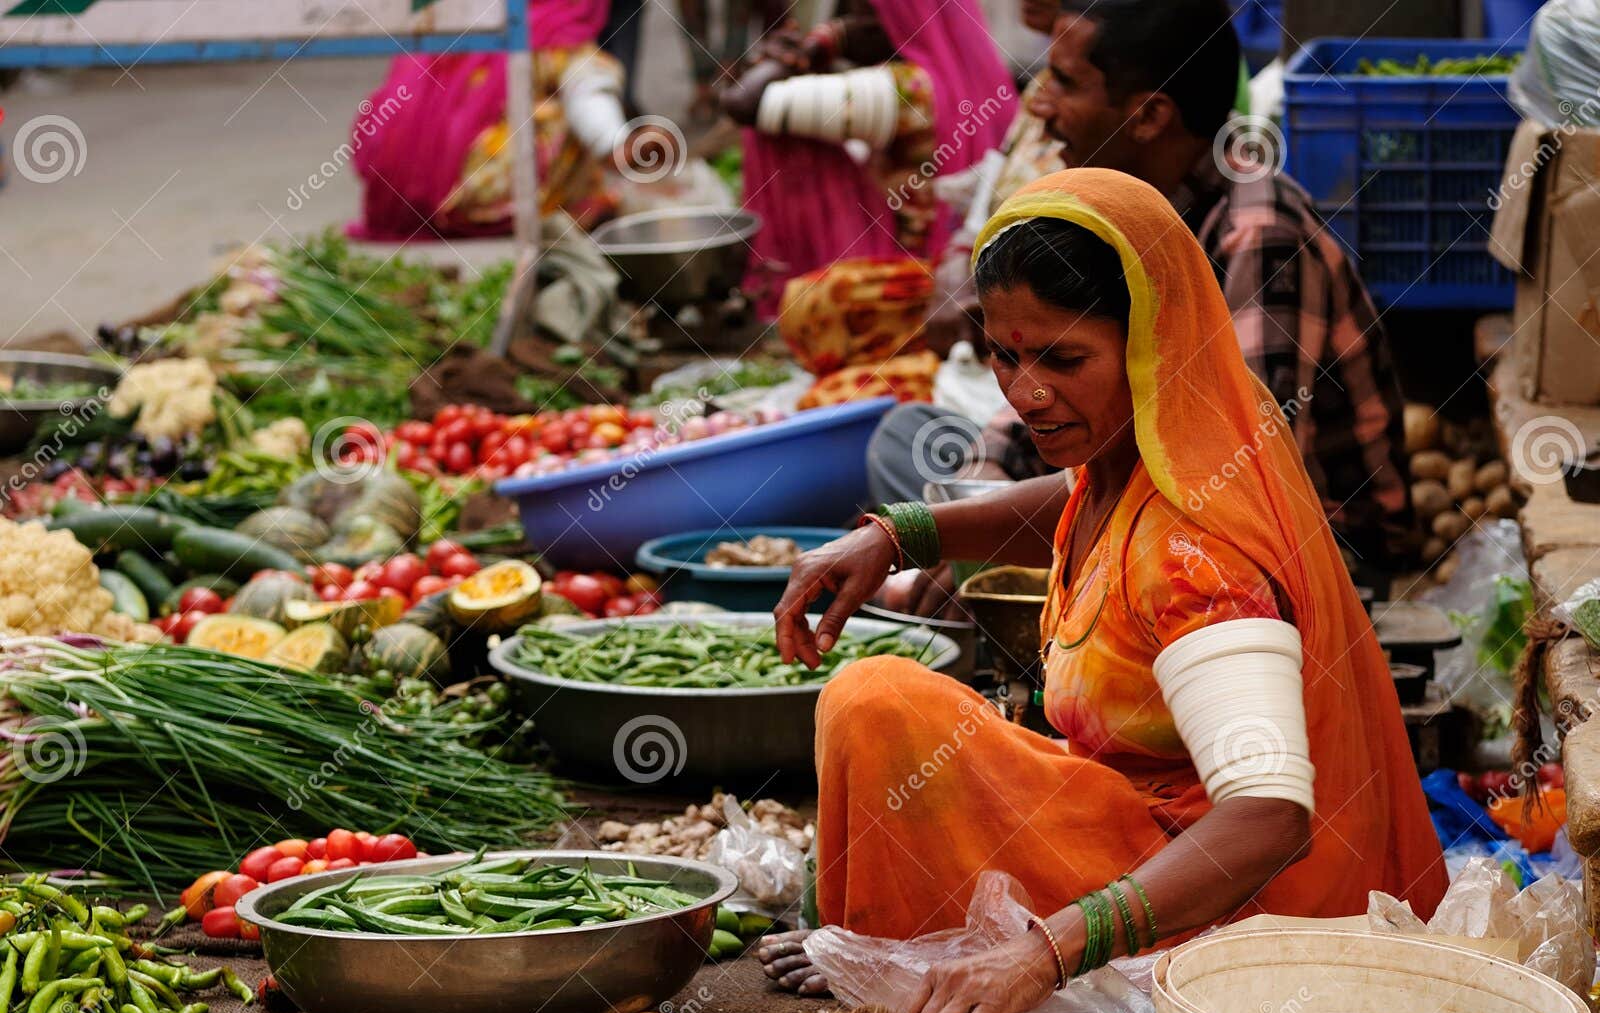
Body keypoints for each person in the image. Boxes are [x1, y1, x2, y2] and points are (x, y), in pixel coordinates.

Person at [756, 171, 1447, 1013]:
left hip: (1235, 918)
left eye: (1062, 360)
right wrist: (901, 536)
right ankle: (904, 962)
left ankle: (922, 984)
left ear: (1152, 346)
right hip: (1146, 829)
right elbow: (1081, 501)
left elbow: (1271, 815)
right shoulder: (1153, 444)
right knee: (889, 712)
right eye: (1004, 356)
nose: (1024, 392)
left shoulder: (1202, 557)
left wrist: (1038, 955)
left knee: (883, 706)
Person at [871, 0, 1412, 593]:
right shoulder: (1113, 213)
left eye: (1068, 83)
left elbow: (1225, 473)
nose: (1041, 106)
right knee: (910, 438)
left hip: (1288, 546)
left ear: (1150, 116)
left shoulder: (1257, 233)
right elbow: (1044, 377)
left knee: (953, 520)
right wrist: (979, 507)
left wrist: (945, 533)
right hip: (1130, 483)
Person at [720, 0, 1016, 313]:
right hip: (946, 267)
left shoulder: (907, 88)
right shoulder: (970, 75)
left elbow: (745, 103)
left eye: (864, 12)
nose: (850, 19)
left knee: (780, 133)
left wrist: (824, 41)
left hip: (906, 280)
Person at [348, 0, 667, 240]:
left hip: (400, 190)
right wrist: (614, 143)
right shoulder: (556, 32)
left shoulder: (468, 16)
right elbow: (587, 91)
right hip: (468, 195)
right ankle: (552, 207)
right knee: (557, 116)